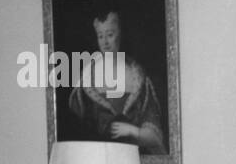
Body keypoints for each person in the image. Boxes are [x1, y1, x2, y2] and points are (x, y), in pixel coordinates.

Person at [67, 8, 166, 154]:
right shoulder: (86, 82)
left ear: (120, 35)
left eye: (110, 35)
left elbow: (155, 133)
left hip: (134, 158)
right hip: (96, 158)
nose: (105, 42)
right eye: (100, 36)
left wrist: (134, 131)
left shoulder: (139, 79)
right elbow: (77, 131)